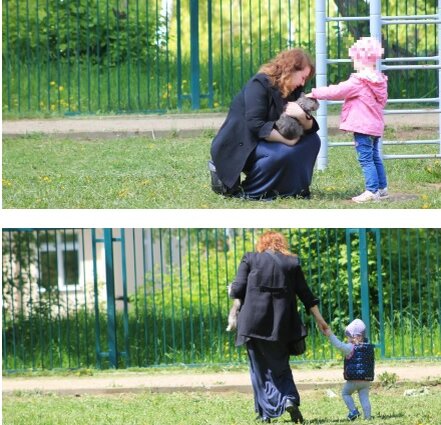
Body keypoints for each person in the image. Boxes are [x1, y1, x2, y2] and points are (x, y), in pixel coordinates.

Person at [228, 231, 329, 423]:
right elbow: (306, 294)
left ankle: (266, 412)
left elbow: (238, 288)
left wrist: (230, 290)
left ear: (262, 244)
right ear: (281, 244)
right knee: (280, 365)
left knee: (259, 369)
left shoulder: (250, 258)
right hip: (281, 324)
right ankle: (288, 398)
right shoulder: (292, 263)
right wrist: (320, 320)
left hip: (253, 323)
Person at [209, 48, 321, 200]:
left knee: (313, 141)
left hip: (269, 139)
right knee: (284, 151)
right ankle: (252, 191)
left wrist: (301, 116)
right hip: (243, 144)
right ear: (290, 70)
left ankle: (294, 190)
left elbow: (310, 128)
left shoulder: (294, 88)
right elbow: (256, 125)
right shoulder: (259, 84)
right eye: (302, 77)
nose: (303, 82)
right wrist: (288, 141)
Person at [307, 36, 389, 203]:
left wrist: (314, 93)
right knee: (374, 157)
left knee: (366, 159)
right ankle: (382, 188)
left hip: (363, 128)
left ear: (360, 59)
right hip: (375, 127)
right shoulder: (379, 81)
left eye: (354, 59)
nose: (353, 63)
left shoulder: (358, 82)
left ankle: (372, 191)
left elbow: (337, 91)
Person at [323, 318, 375, 421]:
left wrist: (330, 335)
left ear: (355, 337)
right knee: (364, 398)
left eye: (348, 336)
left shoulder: (350, 348)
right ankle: (368, 417)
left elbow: (338, 345)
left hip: (353, 380)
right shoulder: (368, 347)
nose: (347, 339)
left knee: (345, 393)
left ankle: (353, 411)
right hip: (366, 379)